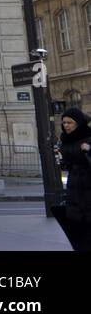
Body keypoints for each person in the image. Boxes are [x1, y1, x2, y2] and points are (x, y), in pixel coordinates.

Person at [57, 107, 91, 251]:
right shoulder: (65, 140)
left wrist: (89, 151)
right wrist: (62, 160)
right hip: (75, 191)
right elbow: (68, 166)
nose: (66, 125)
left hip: (89, 187)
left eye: (69, 122)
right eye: (64, 122)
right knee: (78, 232)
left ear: (78, 123)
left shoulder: (89, 138)